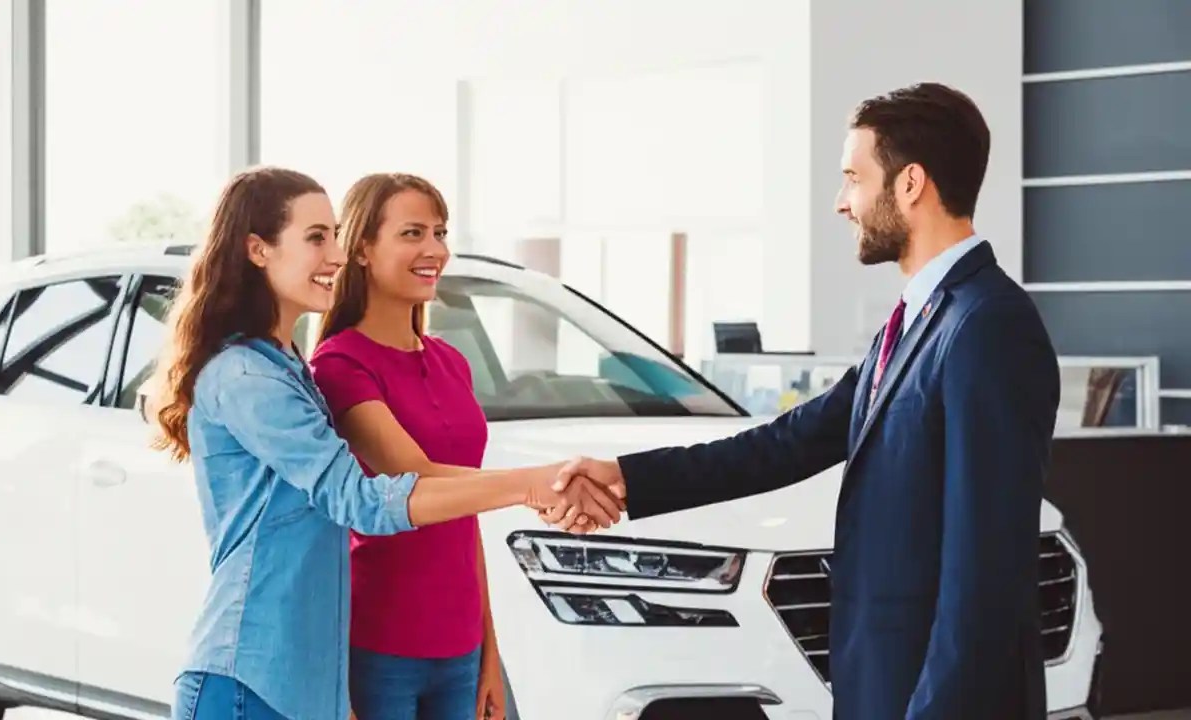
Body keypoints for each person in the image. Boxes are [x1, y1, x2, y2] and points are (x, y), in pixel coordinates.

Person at [553, 83, 1061, 719]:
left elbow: (986, 569)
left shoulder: (988, 325)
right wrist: (626, 478)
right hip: (882, 681)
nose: (841, 203)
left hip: (934, 699)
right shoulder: (918, 320)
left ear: (909, 184)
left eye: (853, 178)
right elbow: (785, 444)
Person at [150, 166, 620, 720]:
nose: (335, 254)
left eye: (335, 236)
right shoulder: (250, 378)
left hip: (301, 675)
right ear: (258, 250)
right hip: (252, 677)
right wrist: (533, 483)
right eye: (317, 237)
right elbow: (363, 501)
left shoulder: (285, 368)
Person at [308, 173, 533, 720]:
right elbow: (416, 479)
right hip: (379, 642)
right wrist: (538, 484)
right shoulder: (340, 365)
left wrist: (489, 654)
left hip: (460, 646)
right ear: (361, 248)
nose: (435, 250)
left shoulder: (451, 361)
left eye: (439, 232)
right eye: (412, 233)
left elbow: (464, 514)